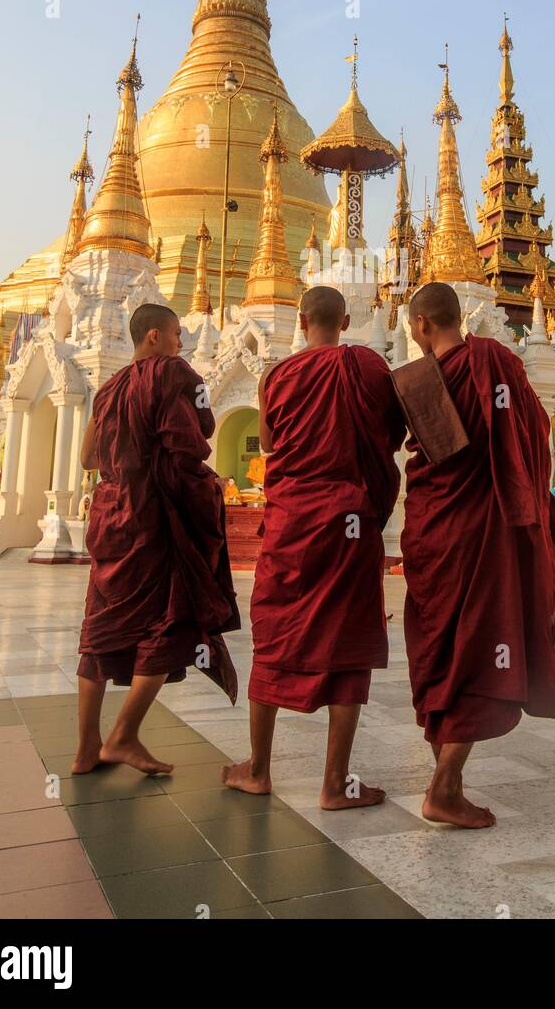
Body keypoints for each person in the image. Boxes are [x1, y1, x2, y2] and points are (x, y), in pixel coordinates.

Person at [397, 282, 555, 830]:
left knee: (456, 651)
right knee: (477, 648)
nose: (413, 335)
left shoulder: (426, 376)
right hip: (485, 534)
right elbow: (531, 442)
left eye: (412, 327)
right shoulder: (495, 363)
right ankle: (444, 786)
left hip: (439, 536)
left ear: (424, 325)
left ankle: (445, 784)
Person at [223, 286, 406, 810]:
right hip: (349, 522)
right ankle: (335, 782)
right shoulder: (368, 367)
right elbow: (393, 435)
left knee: (275, 640)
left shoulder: (276, 376)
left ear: (302, 322)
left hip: (291, 527)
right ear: (346, 321)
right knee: (348, 646)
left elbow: (272, 444)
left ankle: (257, 770)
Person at [75, 303, 239, 775]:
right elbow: (190, 442)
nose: (181, 342)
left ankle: (87, 748)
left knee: (100, 630)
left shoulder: (107, 389)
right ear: (153, 337)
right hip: (151, 518)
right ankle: (124, 734)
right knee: (169, 620)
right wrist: (205, 489)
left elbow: (88, 457)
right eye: (175, 334)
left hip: (108, 520)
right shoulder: (170, 373)